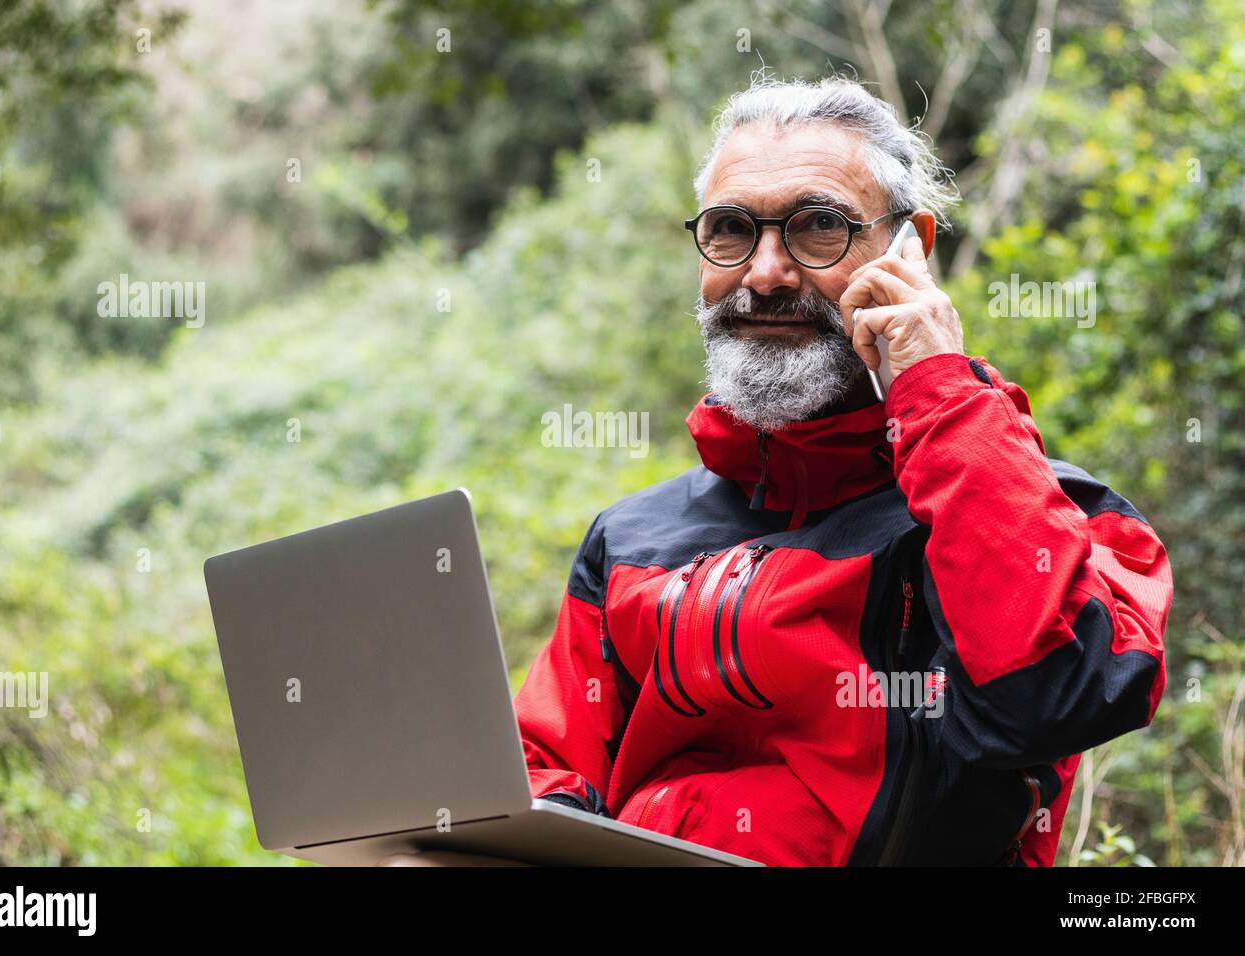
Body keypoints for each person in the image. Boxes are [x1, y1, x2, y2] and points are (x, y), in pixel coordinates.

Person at [384, 72, 1172, 867]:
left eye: (817, 227)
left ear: (912, 250)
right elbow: (541, 766)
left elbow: (1050, 702)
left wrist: (939, 388)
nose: (764, 273)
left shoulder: (1050, 511)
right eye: (731, 230)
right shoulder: (630, 538)